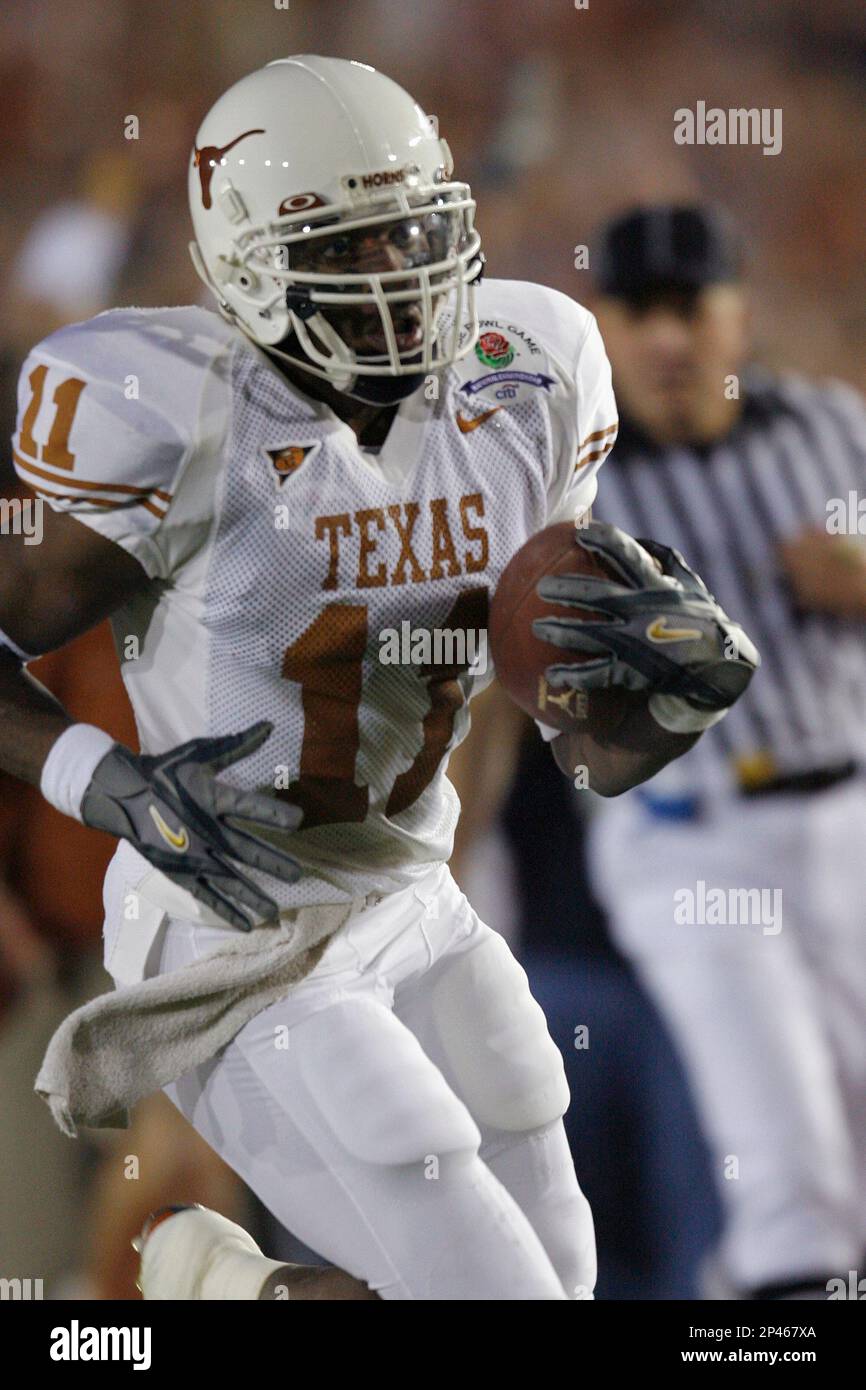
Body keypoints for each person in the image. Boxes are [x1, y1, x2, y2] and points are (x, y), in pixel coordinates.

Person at [0, 60, 756, 1301]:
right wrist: (100, 776)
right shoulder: (184, 416)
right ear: (247, 265)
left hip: (412, 892)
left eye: (412, 233)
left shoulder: (526, 378)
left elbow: (589, 749)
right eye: (350, 252)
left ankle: (222, 1288)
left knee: (557, 1286)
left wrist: (674, 691)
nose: (399, 284)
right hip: (234, 922)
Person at [585, 204, 866, 1299]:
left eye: (685, 307)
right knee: (791, 1179)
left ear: (735, 314)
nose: (664, 338)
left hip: (845, 818)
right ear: (602, 327)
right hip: (687, 838)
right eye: (634, 310)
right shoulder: (576, 475)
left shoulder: (830, 429)